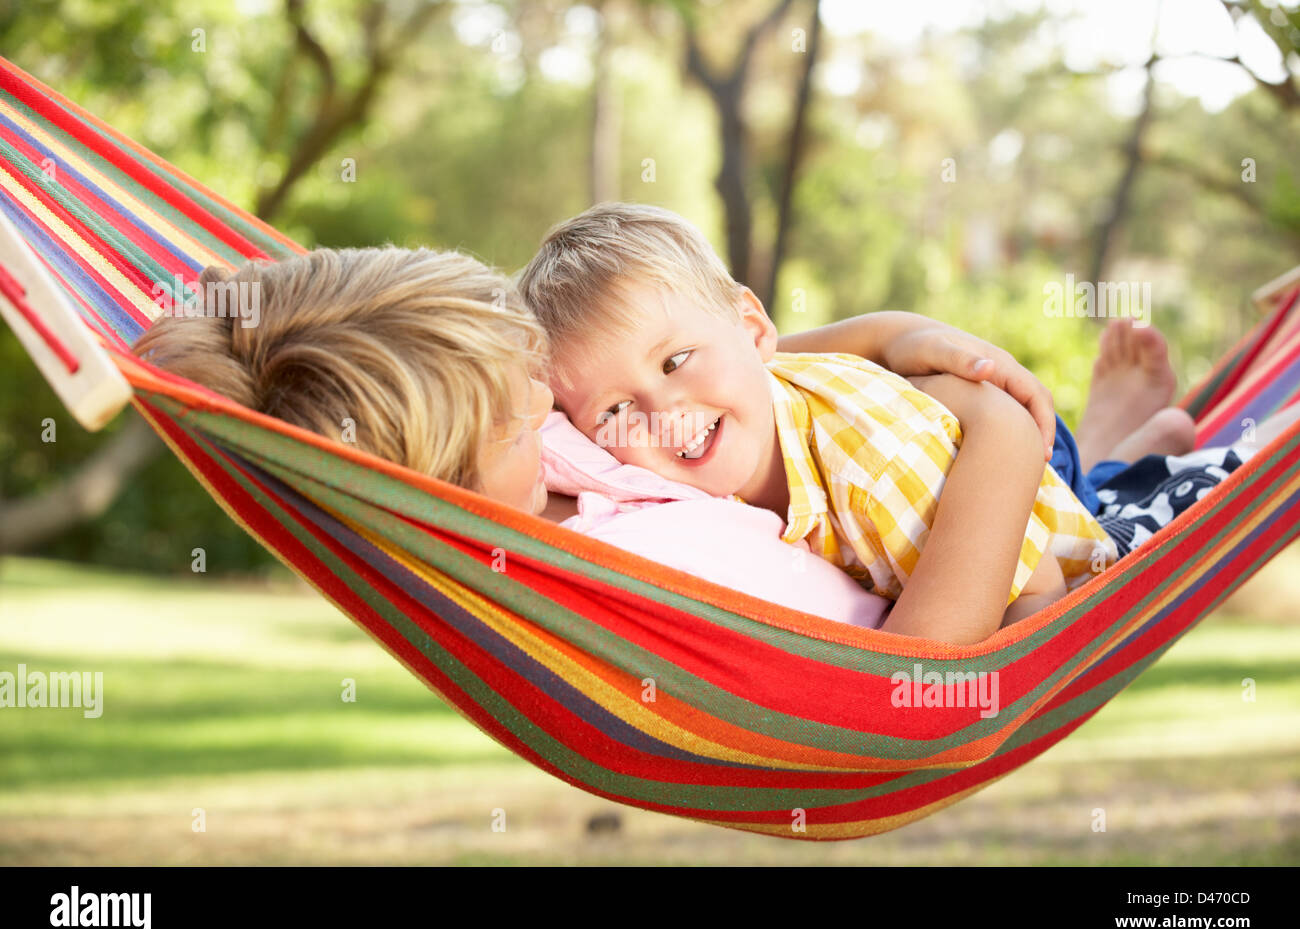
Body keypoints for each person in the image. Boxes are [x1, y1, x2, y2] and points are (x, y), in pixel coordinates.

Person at [130, 245, 1074, 635]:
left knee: (1085, 463)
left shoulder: (542, 452)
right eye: (518, 408)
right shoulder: (621, 571)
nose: (544, 397)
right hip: (985, 533)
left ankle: (1101, 437)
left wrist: (884, 339)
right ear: (440, 483)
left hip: (920, 470)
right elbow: (925, 671)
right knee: (1096, 495)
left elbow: (719, 368)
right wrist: (995, 426)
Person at [516, 202, 1297, 643]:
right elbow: (775, 354)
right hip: (964, 449)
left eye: (676, 361)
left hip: (1014, 484)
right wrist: (895, 334)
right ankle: (1119, 445)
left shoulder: (870, 464)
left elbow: (1035, 600)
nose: (664, 412)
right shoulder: (710, 423)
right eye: (615, 409)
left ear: (753, 330)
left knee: (1104, 522)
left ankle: (1122, 454)